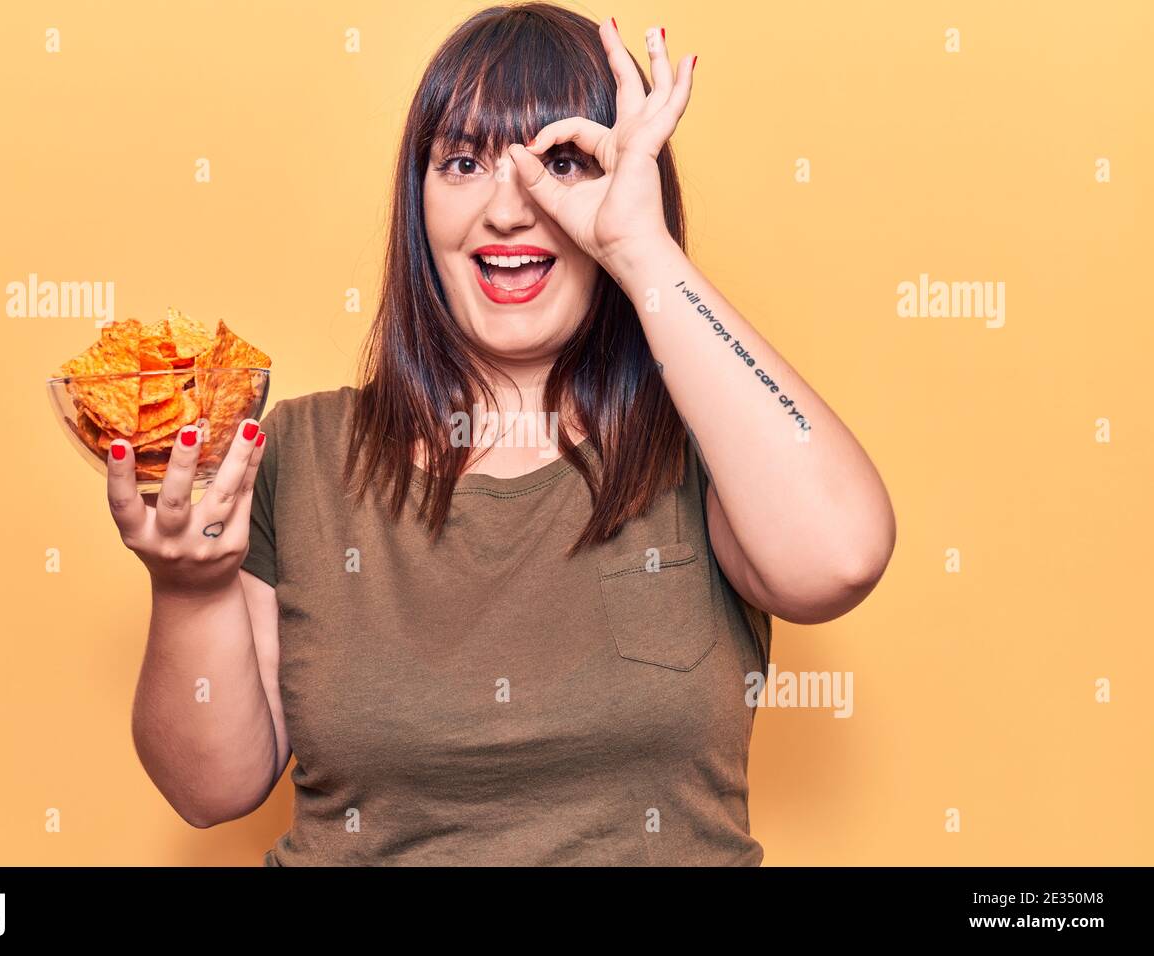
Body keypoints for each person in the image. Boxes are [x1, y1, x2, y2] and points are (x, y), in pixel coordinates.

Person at [111, 3, 895, 866]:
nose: (509, 209)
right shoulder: (294, 452)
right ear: (420, 207)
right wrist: (187, 590)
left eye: (560, 161)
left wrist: (642, 249)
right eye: (461, 162)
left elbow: (839, 560)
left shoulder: (712, 441)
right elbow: (209, 789)